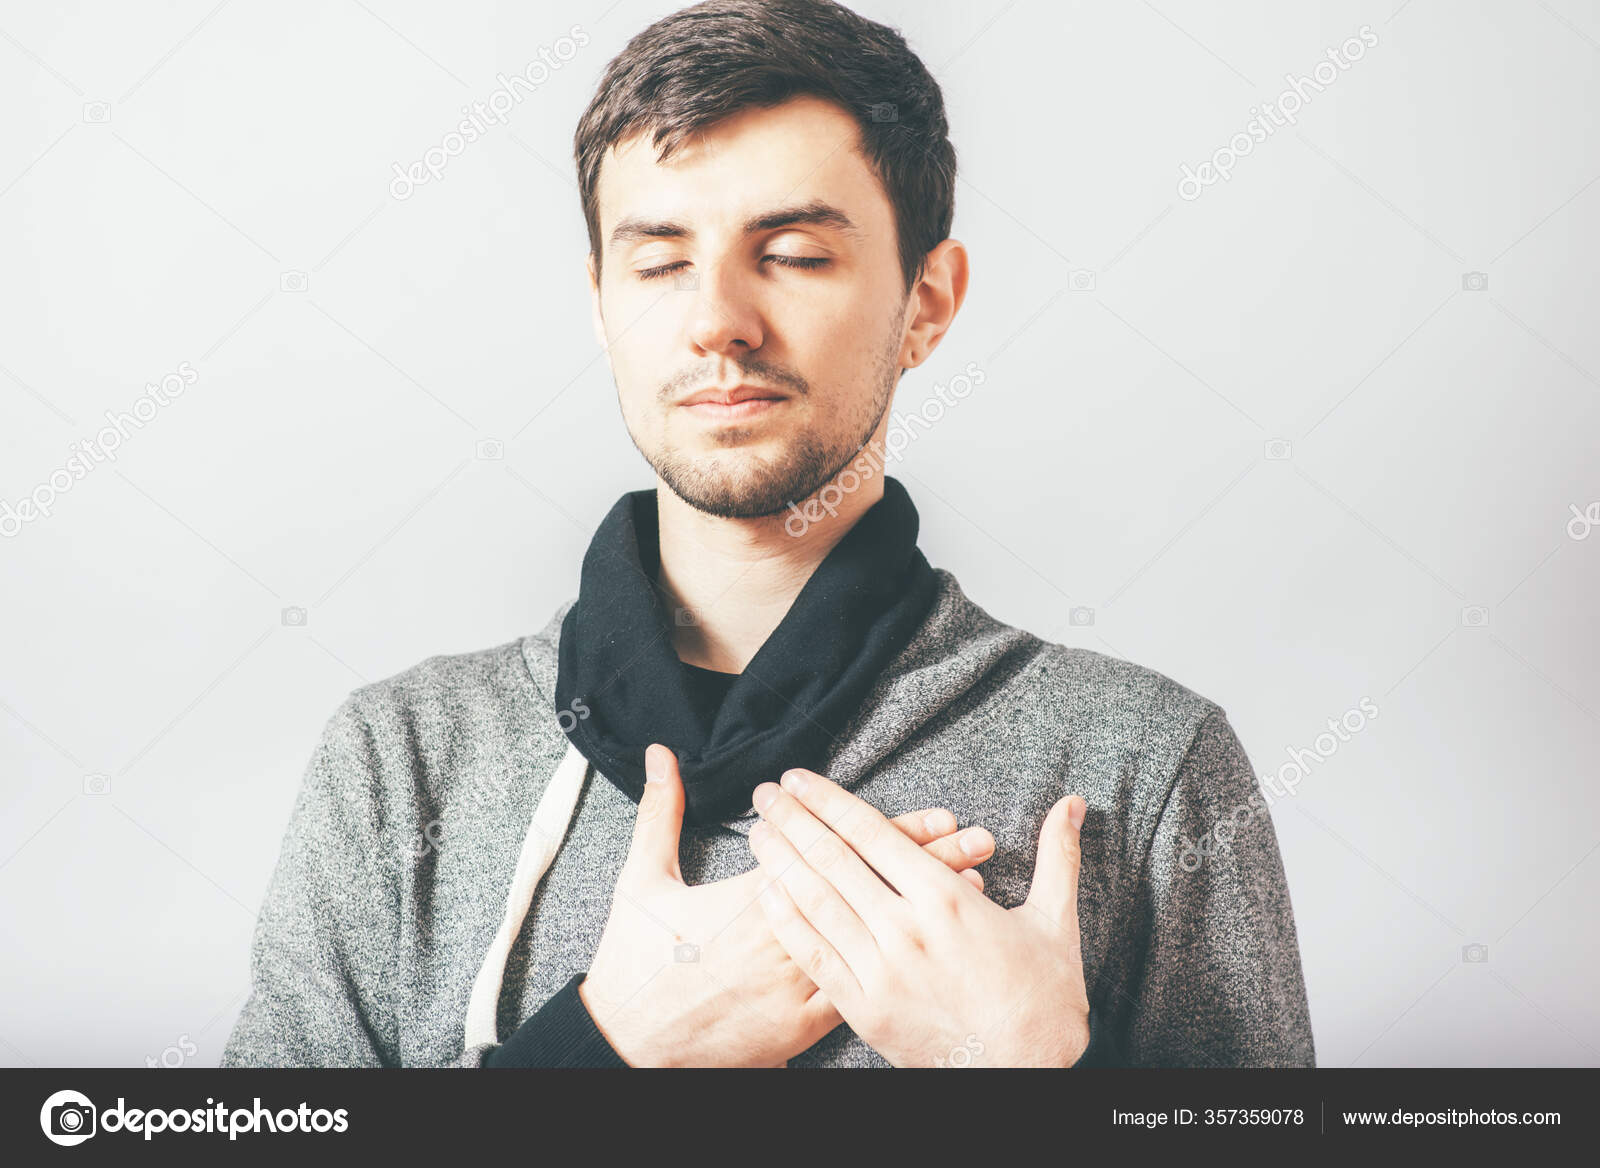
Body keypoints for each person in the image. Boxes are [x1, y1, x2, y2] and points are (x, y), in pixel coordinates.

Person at [222, 0, 1314, 1069]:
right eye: (659, 264)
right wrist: (606, 1053)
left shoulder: (1142, 763)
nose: (717, 323)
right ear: (602, 305)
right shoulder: (403, 761)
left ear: (927, 302)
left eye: (791, 253)